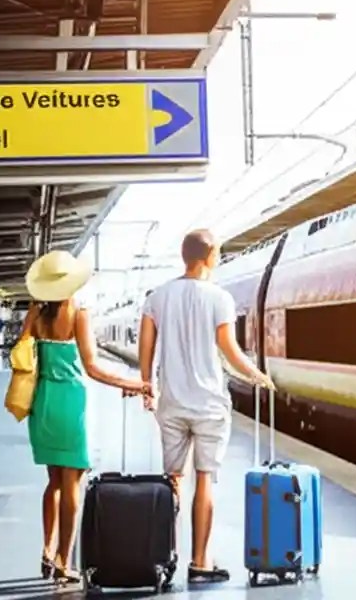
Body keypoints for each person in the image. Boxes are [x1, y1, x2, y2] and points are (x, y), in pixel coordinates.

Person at [138, 228, 275, 585]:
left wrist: (146, 386)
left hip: (172, 402)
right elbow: (229, 352)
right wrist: (257, 376)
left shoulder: (157, 297)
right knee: (205, 482)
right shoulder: (219, 298)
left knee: (172, 481)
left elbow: (147, 348)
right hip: (210, 405)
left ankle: (162, 559)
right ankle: (201, 562)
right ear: (209, 255)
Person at [23, 250, 152, 583]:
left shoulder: (35, 314)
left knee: (52, 482)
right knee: (72, 484)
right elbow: (93, 367)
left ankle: (47, 552)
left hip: (42, 403)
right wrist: (135, 383)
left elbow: (21, 357)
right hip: (71, 403)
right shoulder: (79, 313)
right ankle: (65, 560)